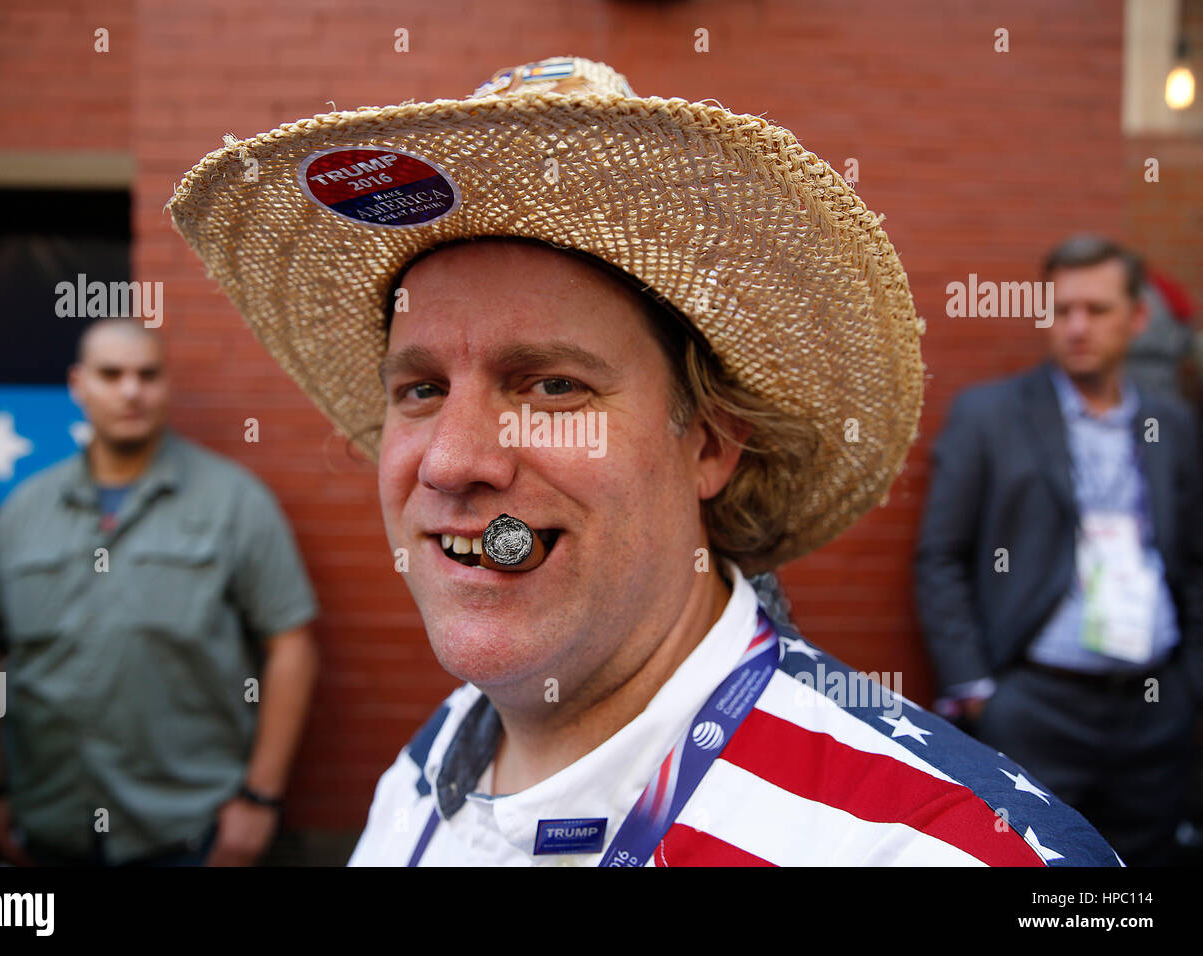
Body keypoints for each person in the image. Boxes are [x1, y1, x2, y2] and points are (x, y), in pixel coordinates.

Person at [170, 55, 1120, 865]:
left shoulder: (938, 847)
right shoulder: (418, 780)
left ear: (708, 441)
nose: (453, 462)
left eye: (550, 386)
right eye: (419, 389)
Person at [0, 317, 320, 866]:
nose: (131, 390)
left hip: (187, 830)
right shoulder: (23, 512)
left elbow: (292, 645)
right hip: (49, 825)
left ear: (166, 384)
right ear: (78, 383)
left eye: (147, 375)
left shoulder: (234, 502)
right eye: (111, 374)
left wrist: (260, 799)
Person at [916, 235, 1203, 866]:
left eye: (1096, 310)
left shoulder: (1170, 425)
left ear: (1138, 319)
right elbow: (941, 558)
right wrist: (979, 694)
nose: (1076, 327)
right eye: (1061, 309)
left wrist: (1188, 687)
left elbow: (1190, 562)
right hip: (1033, 707)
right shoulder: (989, 416)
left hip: (1155, 709)